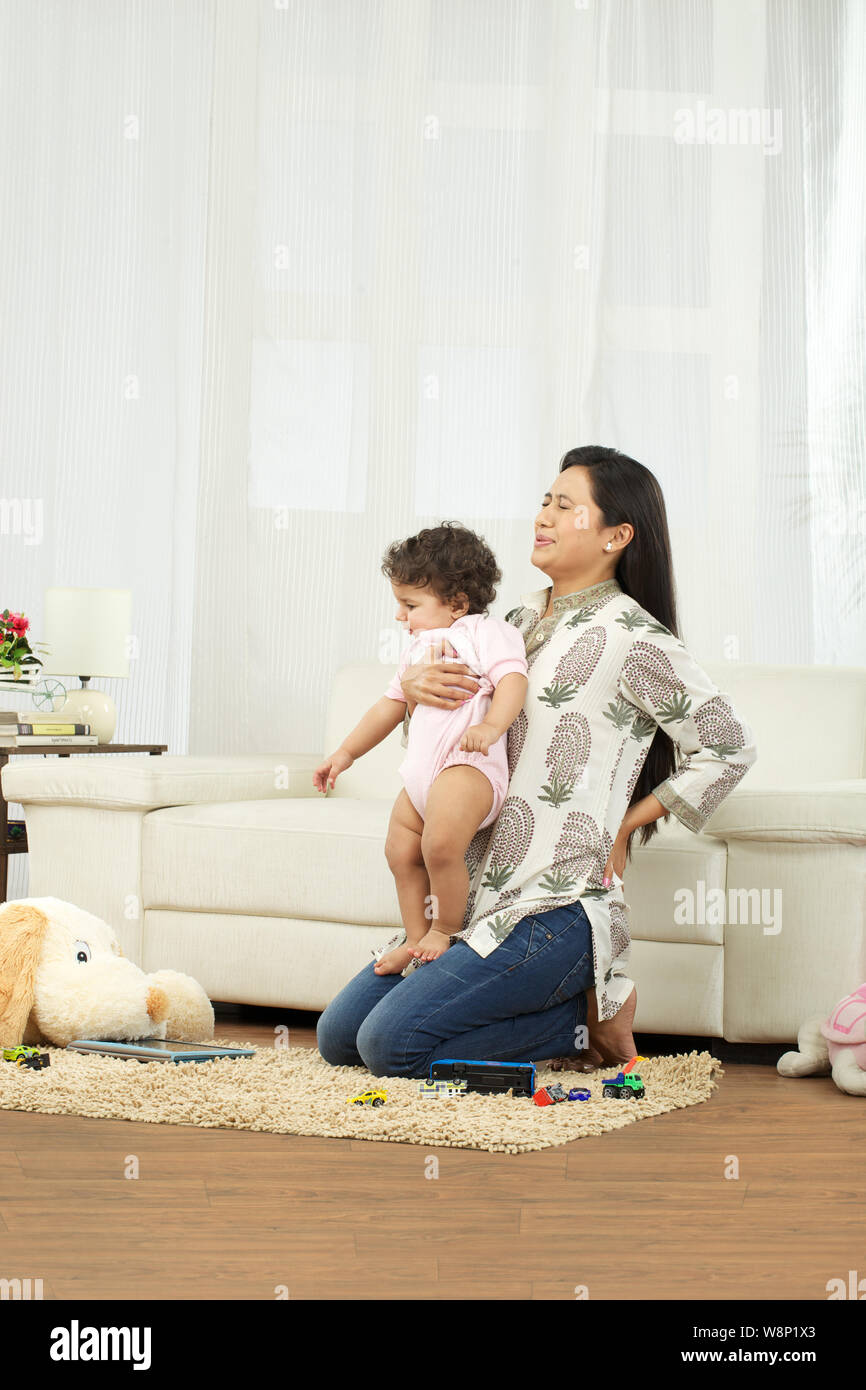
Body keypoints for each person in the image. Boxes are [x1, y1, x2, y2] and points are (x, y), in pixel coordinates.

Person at [316, 445, 758, 1079]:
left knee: (392, 1046)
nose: (543, 516)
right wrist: (413, 691)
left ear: (616, 535)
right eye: (544, 501)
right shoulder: (509, 621)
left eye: (565, 505)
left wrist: (628, 825)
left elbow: (728, 746)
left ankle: (581, 1018)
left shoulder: (636, 638)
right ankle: (552, 1010)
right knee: (340, 1037)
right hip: (476, 904)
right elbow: (450, 735)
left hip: (556, 912)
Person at [313, 522, 529, 977]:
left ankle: (445, 929)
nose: (400, 616)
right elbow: (389, 706)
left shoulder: (485, 632)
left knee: (440, 844)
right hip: (421, 776)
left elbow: (513, 680)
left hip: (467, 767)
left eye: (410, 605)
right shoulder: (415, 650)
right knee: (399, 850)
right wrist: (345, 754)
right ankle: (414, 937)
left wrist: (492, 725)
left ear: (456, 603)